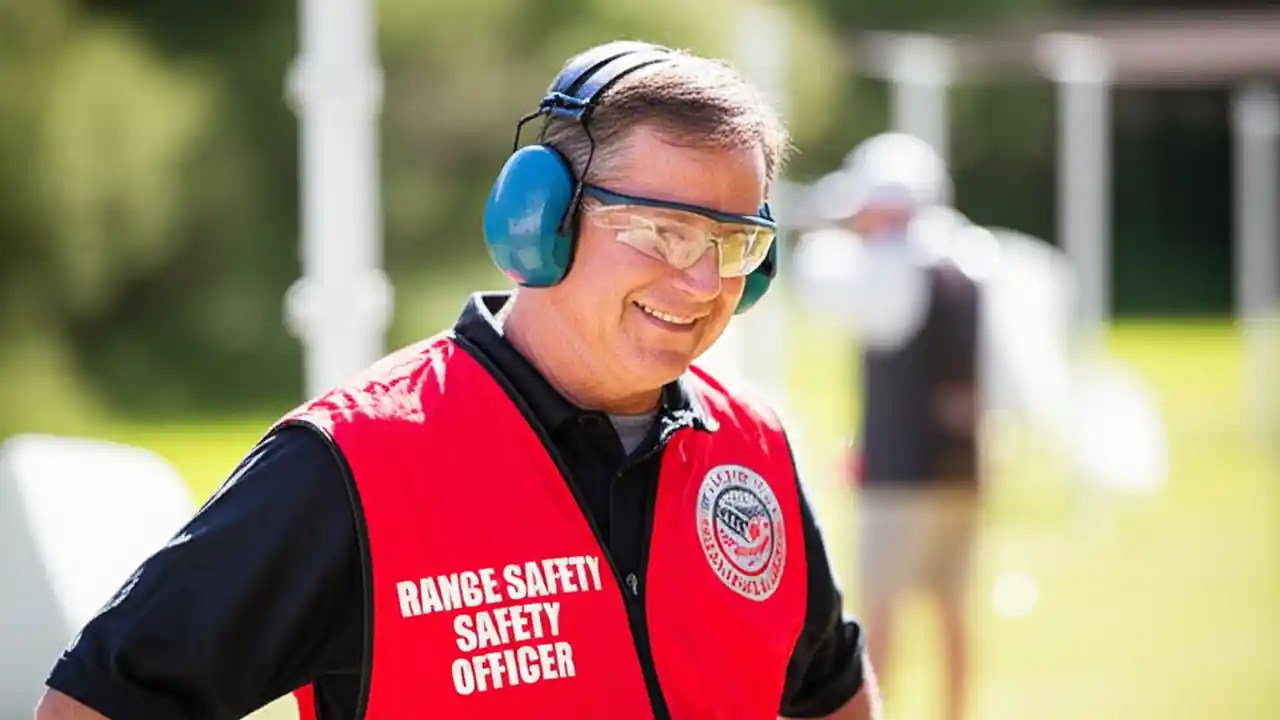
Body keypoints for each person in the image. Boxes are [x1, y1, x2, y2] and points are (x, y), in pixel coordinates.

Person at [36, 41, 882, 720]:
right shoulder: (354, 462)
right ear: (540, 221)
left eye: (732, 243)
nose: (700, 282)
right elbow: (95, 704)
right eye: (662, 231)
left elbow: (831, 691)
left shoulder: (751, 444)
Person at [797, 133, 982, 720]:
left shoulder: (890, 268)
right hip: (962, 466)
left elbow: (822, 286)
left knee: (879, 612)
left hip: (901, 471)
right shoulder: (967, 263)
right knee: (953, 608)